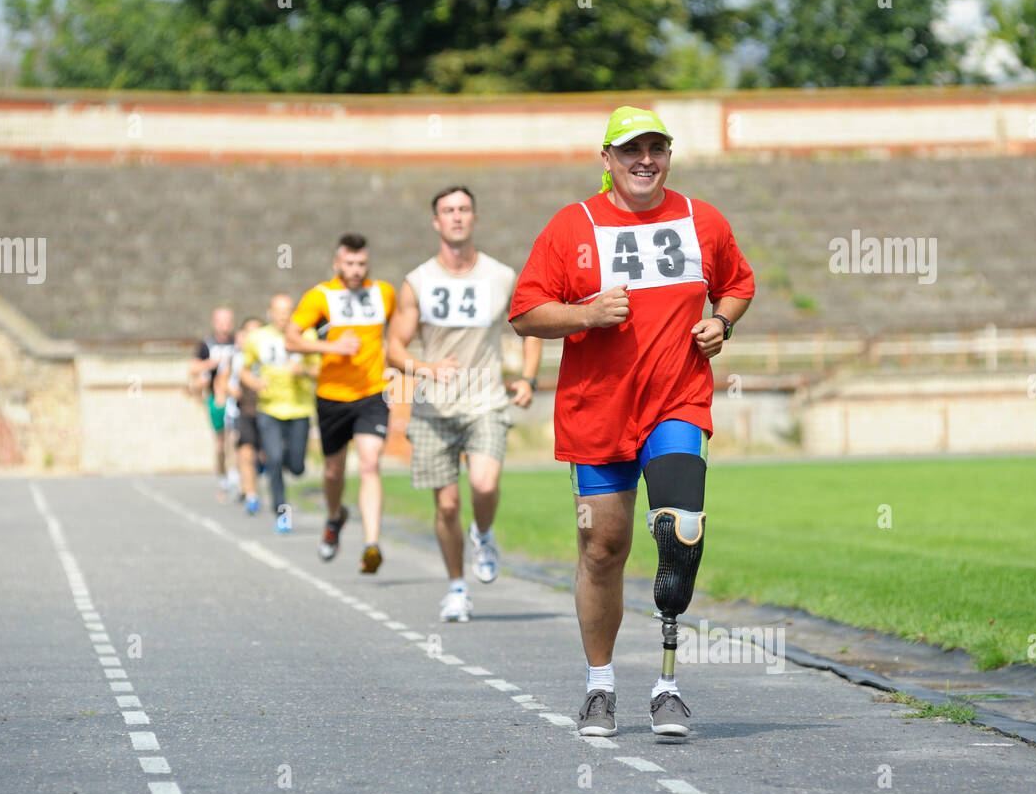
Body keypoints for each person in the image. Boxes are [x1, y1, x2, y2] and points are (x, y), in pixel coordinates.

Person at [508, 106, 755, 739]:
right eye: (631, 150)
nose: (645, 160)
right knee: (603, 547)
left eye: (656, 148)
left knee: (682, 531)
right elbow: (527, 313)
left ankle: (668, 687)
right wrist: (586, 315)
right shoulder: (574, 225)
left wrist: (721, 322)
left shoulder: (703, 219)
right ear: (607, 159)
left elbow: (738, 283)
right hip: (598, 412)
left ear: (668, 155)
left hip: (676, 401)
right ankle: (600, 687)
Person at [387, 185, 543, 622]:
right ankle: (457, 587)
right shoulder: (418, 282)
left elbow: (531, 325)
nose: (456, 217)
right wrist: (423, 367)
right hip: (433, 407)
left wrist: (528, 378)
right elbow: (393, 347)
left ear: (474, 218)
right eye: (447, 211)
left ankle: (485, 532)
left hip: (486, 400)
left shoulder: (501, 275)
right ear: (436, 222)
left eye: (463, 209)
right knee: (447, 505)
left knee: (485, 485)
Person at [286, 233, 395, 573]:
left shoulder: (384, 293)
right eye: (348, 263)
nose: (355, 270)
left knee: (369, 462)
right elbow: (291, 339)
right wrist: (331, 348)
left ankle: (371, 544)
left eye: (361, 263)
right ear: (336, 264)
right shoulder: (320, 296)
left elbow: (398, 331)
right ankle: (334, 519)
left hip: (372, 394)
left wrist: (395, 361)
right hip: (332, 396)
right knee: (334, 471)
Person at [242, 294, 320, 533]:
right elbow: (244, 370)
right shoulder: (257, 338)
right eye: (279, 311)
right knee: (273, 460)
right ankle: (281, 513)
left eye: (288, 311)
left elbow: (319, 370)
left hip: (299, 409)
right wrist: (254, 384)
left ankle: (291, 459)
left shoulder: (307, 335)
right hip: (269, 408)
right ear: (270, 312)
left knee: (296, 466)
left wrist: (303, 371)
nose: (283, 316)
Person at [189, 307, 235, 499]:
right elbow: (193, 367)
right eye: (220, 322)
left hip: (234, 396)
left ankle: (237, 477)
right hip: (215, 398)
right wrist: (211, 364)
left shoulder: (237, 343)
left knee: (235, 439)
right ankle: (223, 478)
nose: (224, 326)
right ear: (214, 323)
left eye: (227, 322)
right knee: (220, 442)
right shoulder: (206, 345)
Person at [230, 316, 265, 514]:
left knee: (265, 455)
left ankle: (259, 474)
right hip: (244, 409)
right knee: (245, 452)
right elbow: (224, 379)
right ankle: (251, 496)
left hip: (268, 409)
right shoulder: (237, 356)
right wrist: (228, 390)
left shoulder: (270, 353)